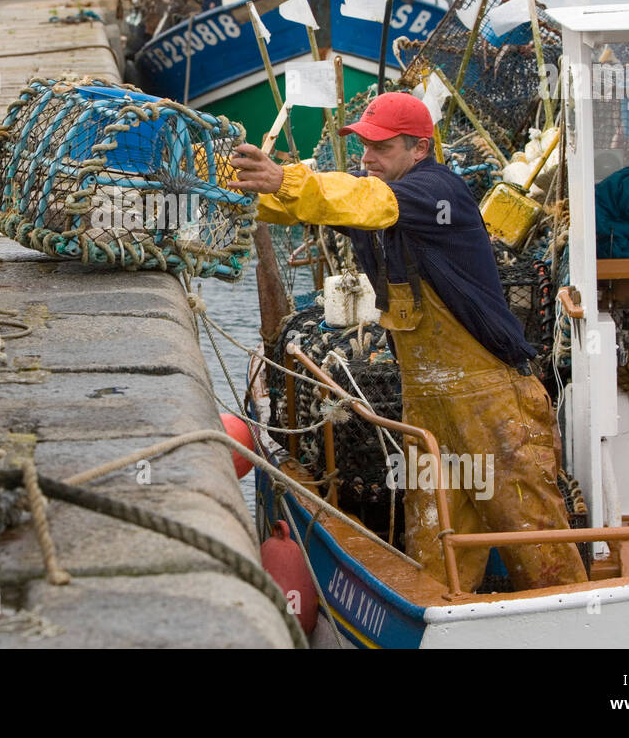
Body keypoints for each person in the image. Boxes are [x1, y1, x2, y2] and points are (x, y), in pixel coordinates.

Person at [228, 92, 587, 593]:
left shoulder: (438, 192)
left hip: (493, 402)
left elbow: (363, 201)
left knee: (536, 541)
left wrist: (286, 176)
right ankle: (445, 621)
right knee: (437, 546)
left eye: (380, 147)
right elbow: (311, 205)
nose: (366, 158)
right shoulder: (375, 198)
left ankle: (572, 621)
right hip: (429, 411)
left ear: (420, 149)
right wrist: (234, 186)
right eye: (362, 145)